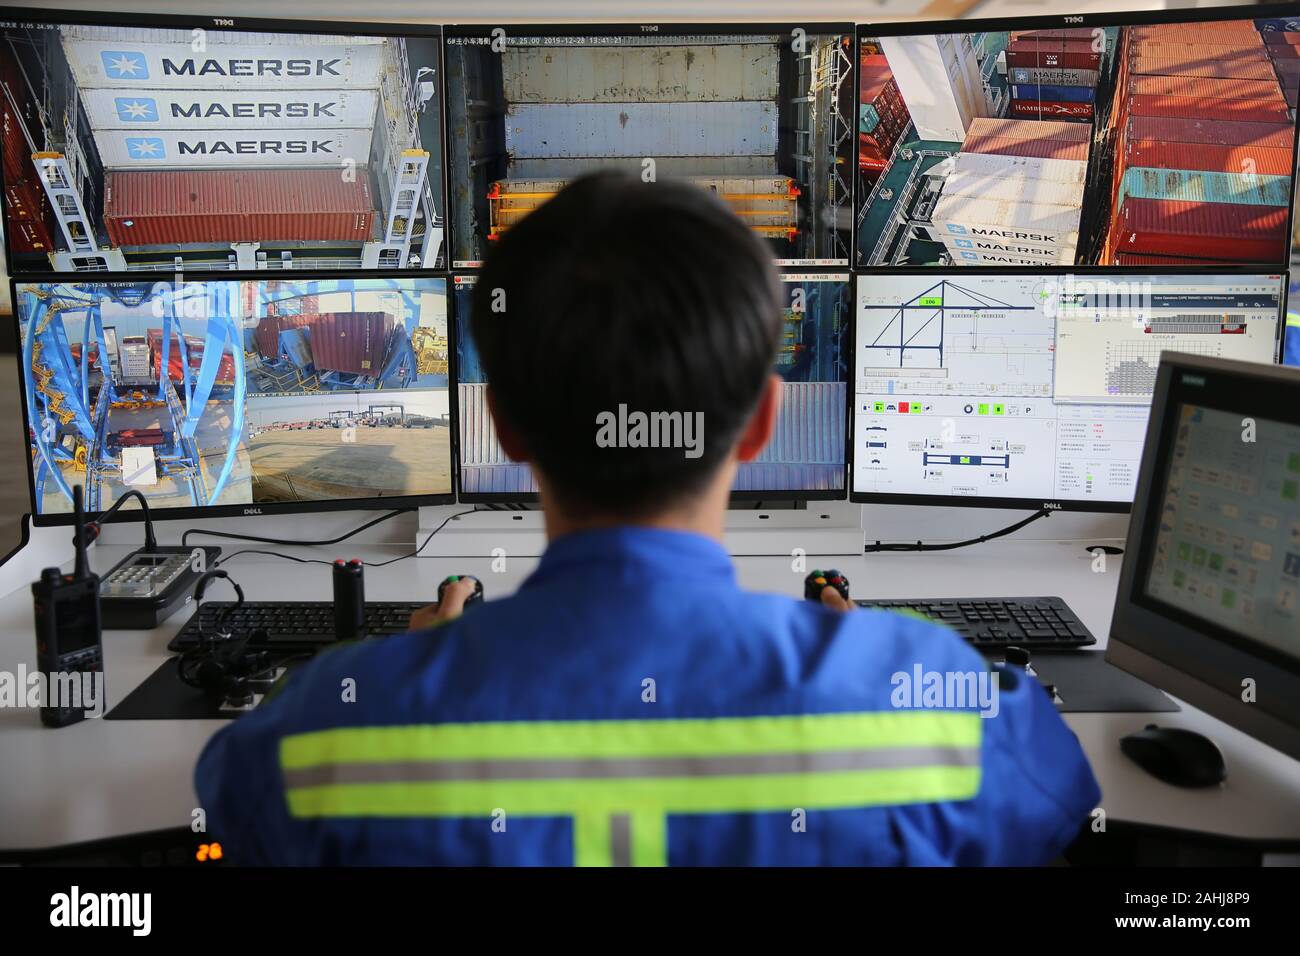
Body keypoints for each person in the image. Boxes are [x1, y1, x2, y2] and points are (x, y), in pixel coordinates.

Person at [196, 172, 1100, 866]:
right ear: (760, 425)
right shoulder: (938, 711)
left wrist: (404, 662)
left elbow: (231, 792)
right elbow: (1060, 787)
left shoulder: (333, 731)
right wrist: (868, 656)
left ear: (505, 425)